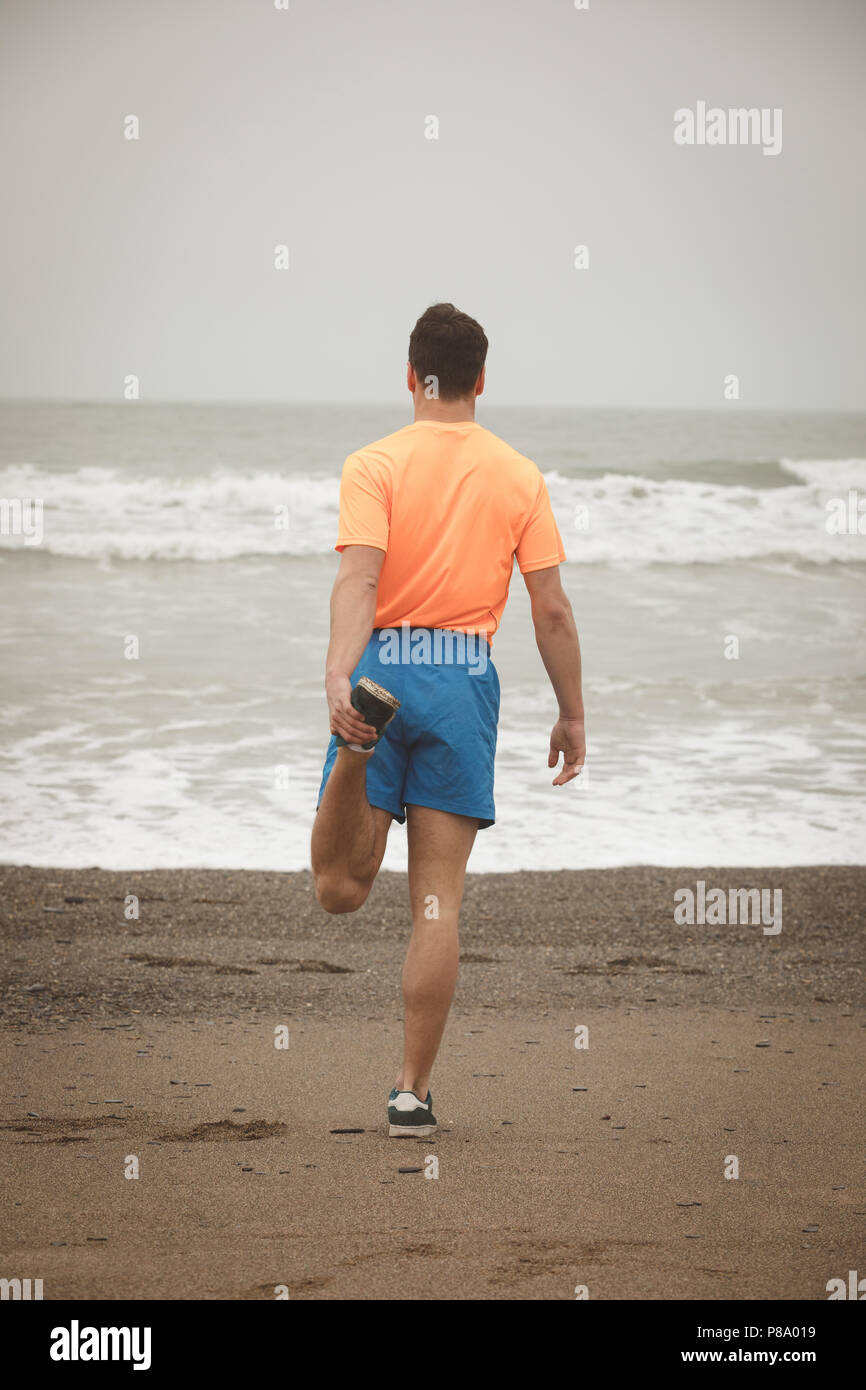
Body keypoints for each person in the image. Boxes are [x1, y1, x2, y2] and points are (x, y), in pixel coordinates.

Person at [311, 303, 586, 1136]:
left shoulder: (374, 463)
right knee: (438, 905)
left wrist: (338, 672)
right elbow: (551, 612)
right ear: (481, 380)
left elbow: (359, 581)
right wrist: (572, 714)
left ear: (410, 376)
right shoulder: (518, 474)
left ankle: (360, 752)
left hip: (384, 665)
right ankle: (409, 1092)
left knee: (339, 890)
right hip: (464, 675)